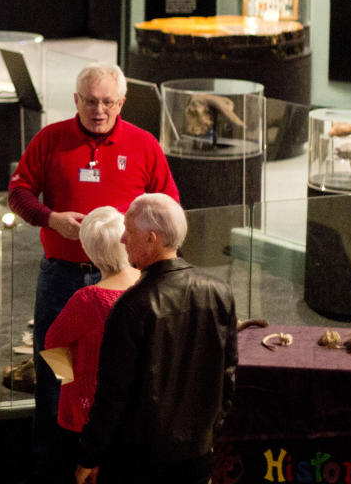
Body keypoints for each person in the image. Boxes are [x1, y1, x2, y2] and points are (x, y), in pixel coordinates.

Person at [7, 62, 178, 482]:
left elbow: (169, 205)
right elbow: (17, 192)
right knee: (55, 374)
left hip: (127, 282)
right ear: (76, 100)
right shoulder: (51, 139)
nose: (98, 110)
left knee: (123, 372)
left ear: (121, 102)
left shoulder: (143, 145)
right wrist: (51, 219)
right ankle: (51, 466)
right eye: (90, 101)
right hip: (63, 277)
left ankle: (112, 461)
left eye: (107, 102)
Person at [76, 193, 237, 484]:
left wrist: (89, 456)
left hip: (139, 463)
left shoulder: (131, 307)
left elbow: (112, 395)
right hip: (197, 456)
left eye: (130, 231)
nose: (123, 239)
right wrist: (210, 434)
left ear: (152, 239)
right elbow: (228, 378)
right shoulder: (219, 292)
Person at [42, 206, 139, 474]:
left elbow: (52, 343)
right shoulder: (147, 285)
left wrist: (71, 380)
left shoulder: (88, 300)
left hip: (87, 415)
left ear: (88, 249)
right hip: (138, 413)